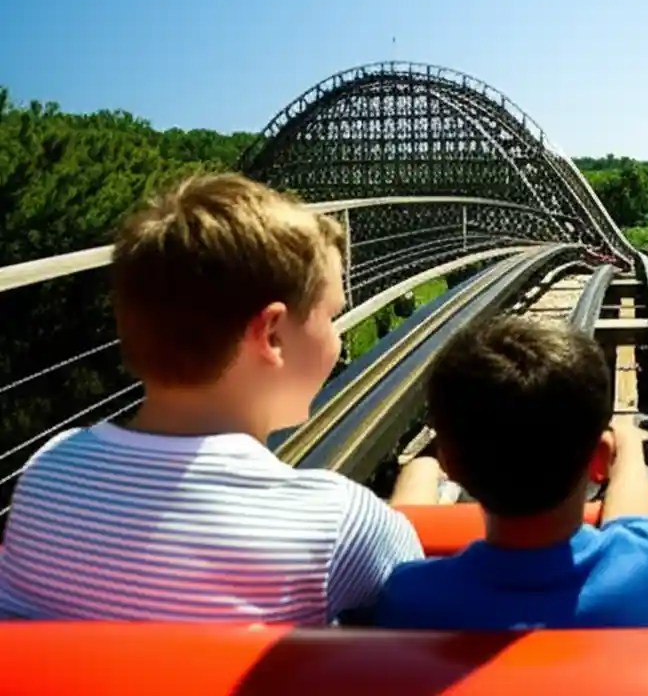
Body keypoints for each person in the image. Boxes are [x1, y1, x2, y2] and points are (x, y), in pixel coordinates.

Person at [0, 173, 435, 625]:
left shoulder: (46, 474)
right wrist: (414, 495)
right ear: (272, 335)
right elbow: (425, 608)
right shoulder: (341, 524)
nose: (336, 340)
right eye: (331, 316)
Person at [375, 316, 648, 630]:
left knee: (420, 470)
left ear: (450, 465)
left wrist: (422, 467)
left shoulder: (407, 595)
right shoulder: (645, 566)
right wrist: (627, 443)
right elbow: (632, 513)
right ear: (600, 461)